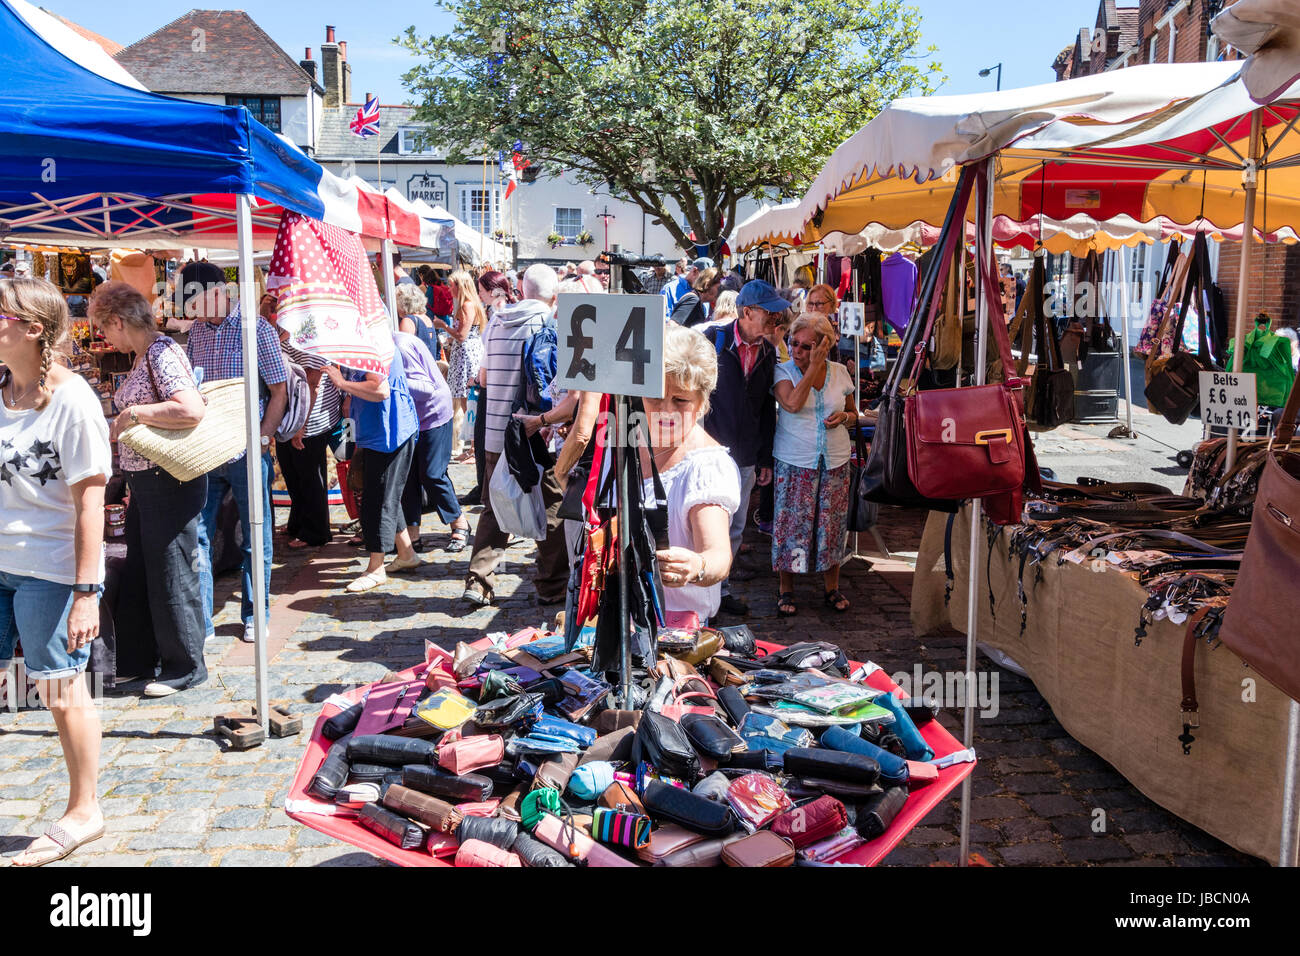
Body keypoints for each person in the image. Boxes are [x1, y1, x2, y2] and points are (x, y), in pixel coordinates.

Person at [0, 277, 111, 865]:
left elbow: (91, 501)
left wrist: (87, 591)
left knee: (59, 687)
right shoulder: (0, 388)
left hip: (48, 567)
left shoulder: (74, 401)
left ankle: (84, 809)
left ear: (31, 329)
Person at [89, 282, 209, 696]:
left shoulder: (160, 353)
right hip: (151, 480)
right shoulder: (149, 354)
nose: (104, 338)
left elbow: (190, 409)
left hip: (169, 480)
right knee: (146, 570)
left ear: (118, 322)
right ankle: (145, 660)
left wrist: (134, 413)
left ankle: (186, 667)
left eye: (104, 329)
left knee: (171, 572)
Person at [184, 262, 286, 643]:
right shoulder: (198, 331)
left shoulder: (255, 327)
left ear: (218, 292)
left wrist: (261, 439)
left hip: (245, 448)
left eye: (195, 302)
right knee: (199, 535)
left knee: (254, 536)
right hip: (207, 451)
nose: (193, 312)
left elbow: (279, 391)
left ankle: (255, 614)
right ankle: (203, 621)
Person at [463, 264, 568, 607]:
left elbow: (485, 378)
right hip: (534, 431)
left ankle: (478, 580)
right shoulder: (547, 325)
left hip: (496, 430)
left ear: (521, 291)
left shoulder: (496, 321)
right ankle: (551, 585)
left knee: (495, 505)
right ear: (554, 297)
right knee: (551, 507)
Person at [640, 323, 741, 622]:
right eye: (655, 396)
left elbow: (719, 556)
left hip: (676, 629)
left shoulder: (705, 467)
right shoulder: (628, 443)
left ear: (701, 404)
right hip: (621, 617)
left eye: (680, 400)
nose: (665, 410)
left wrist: (696, 565)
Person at [700, 278, 781, 617]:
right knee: (703, 522)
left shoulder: (768, 352)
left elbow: (765, 408)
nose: (776, 321)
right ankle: (700, 593)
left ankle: (721, 589)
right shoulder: (712, 342)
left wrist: (765, 457)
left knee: (734, 525)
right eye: (770, 314)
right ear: (747, 312)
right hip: (708, 452)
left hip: (746, 454)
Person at [770, 313, 859, 616]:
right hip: (795, 460)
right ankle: (786, 589)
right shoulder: (783, 372)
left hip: (834, 460)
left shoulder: (840, 374)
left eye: (807, 347)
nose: (797, 351)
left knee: (831, 526)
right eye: (794, 344)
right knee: (792, 526)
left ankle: (831, 587)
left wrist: (845, 419)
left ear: (824, 346)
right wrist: (812, 367)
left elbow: (853, 412)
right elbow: (793, 403)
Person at [323, 343, 421, 593]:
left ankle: (375, 568)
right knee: (386, 495)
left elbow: (379, 389)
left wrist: (342, 384)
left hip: (389, 434)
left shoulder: (374, 342)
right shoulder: (366, 341)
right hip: (380, 431)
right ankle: (407, 553)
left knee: (377, 501)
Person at [263, 292, 342, 550]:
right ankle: (298, 521)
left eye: (278, 304)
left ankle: (315, 531)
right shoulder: (284, 332)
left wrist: (301, 427)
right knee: (292, 471)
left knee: (308, 475)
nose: (275, 308)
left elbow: (313, 383)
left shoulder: (311, 337)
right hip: (290, 415)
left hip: (311, 418)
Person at [395, 329, 471, 553]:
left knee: (432, 473)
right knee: (408, 475)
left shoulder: (400, 347)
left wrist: (390, 381)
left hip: (433, 413)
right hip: (410, 418)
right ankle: (412, 531)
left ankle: (459, 522)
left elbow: (426, 389)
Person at [441, 270, 488, 459]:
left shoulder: (467, 305)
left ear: (460, 286)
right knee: (465, 401)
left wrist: (443, 326)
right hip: (465, 354)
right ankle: (473, 447)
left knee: (468, 402)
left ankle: (475, 448)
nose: (449, 288)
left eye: (451, 285)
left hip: (466, 355)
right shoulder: (467, 304)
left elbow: (462, 335)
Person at [397, 282, 440, 360]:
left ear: (403, 302)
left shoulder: (408, 321)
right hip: (429, 369)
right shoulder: (426, 318)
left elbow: (405, 354)